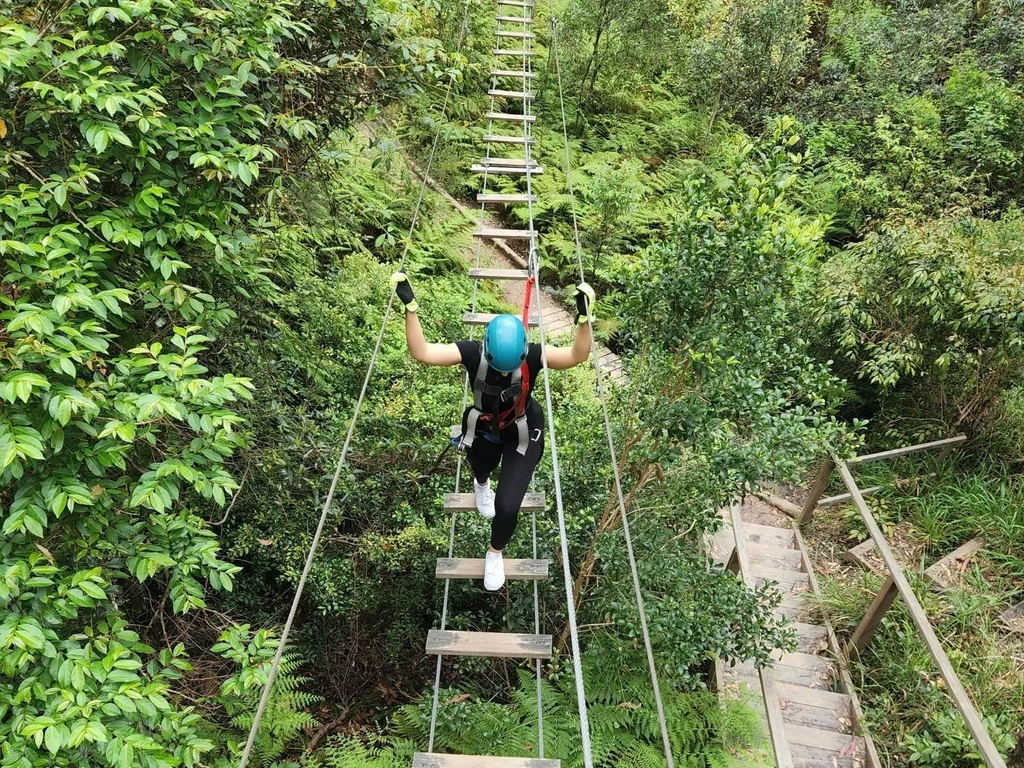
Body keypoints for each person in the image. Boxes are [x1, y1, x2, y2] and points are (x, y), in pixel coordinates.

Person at [391, 272, 595, 590]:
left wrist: (583, 319)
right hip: (484, 426)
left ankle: (494, 553)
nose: (503, 373)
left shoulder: (534, 356)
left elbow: (576, 356)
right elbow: (423, 352)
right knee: (482, 466)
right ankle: (481, 482)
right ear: (486, 350)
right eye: (498, 367)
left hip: (523, 431)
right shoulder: (473, 353)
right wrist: (411, 308)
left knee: (508, 505)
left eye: (509, 367)